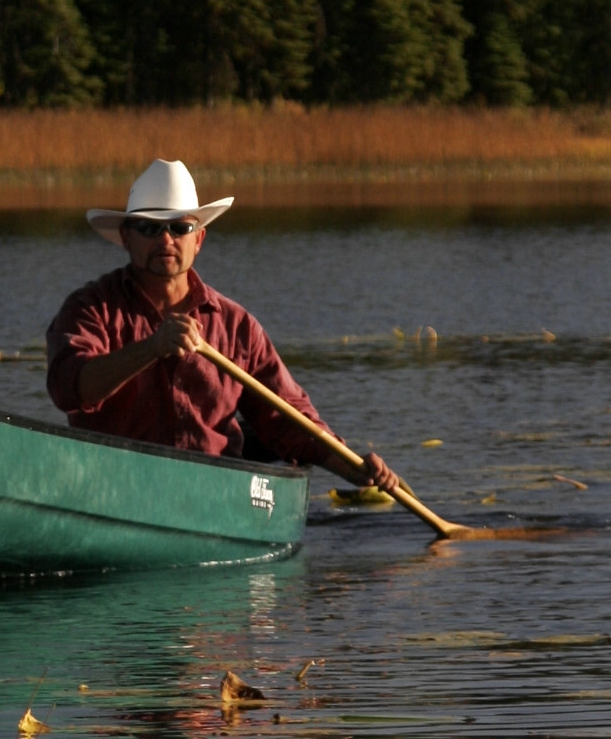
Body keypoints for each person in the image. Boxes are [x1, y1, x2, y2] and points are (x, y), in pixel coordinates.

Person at [46, 159, 401, 492]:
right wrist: (152, 348)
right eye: (150, 228)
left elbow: (288, 418)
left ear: (198, 240)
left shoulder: (236, 326)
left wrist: (351, 466)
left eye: (180, 228)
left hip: (216, 493)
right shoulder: (88, 309)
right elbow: (70, 389)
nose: (166, 240)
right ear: (127, 237)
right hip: (116, 485)